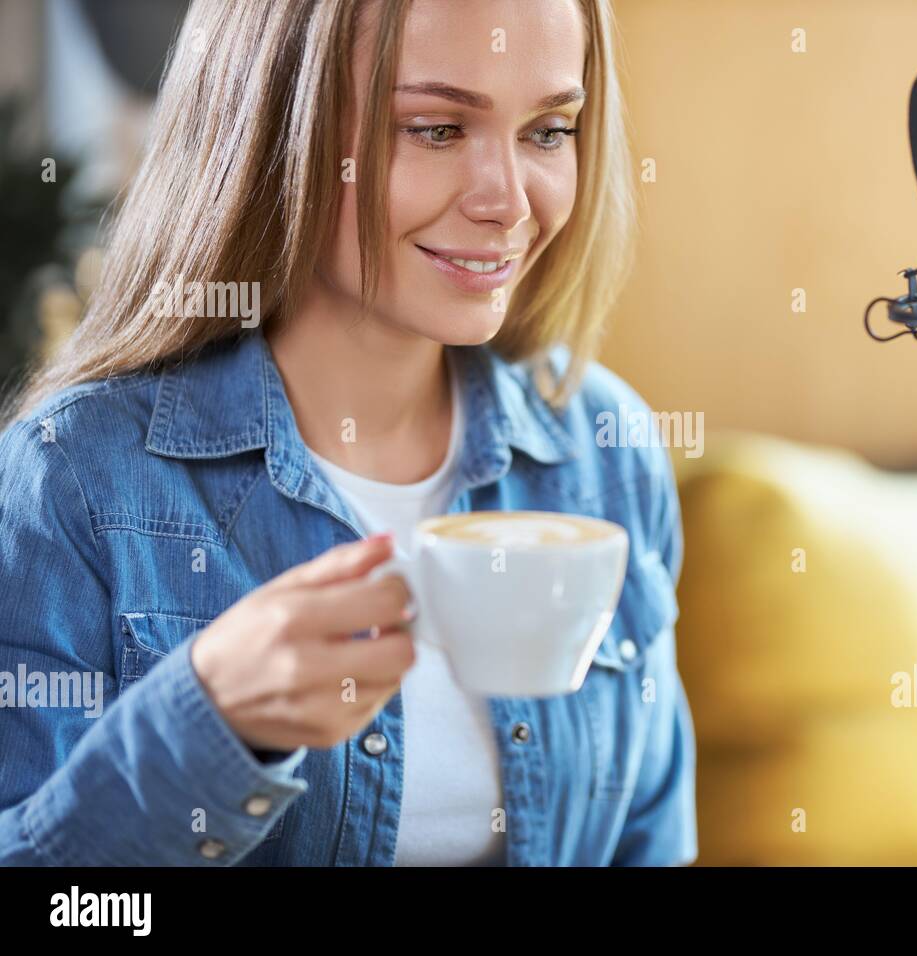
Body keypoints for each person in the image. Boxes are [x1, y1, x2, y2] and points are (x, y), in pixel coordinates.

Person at [0, 0, 695, 867]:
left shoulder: (607, 447)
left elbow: (650, 846)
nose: (509, 203)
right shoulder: (70, 480)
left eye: (549, 131)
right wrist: (206, 726)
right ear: (272, 131)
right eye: (437, 129)